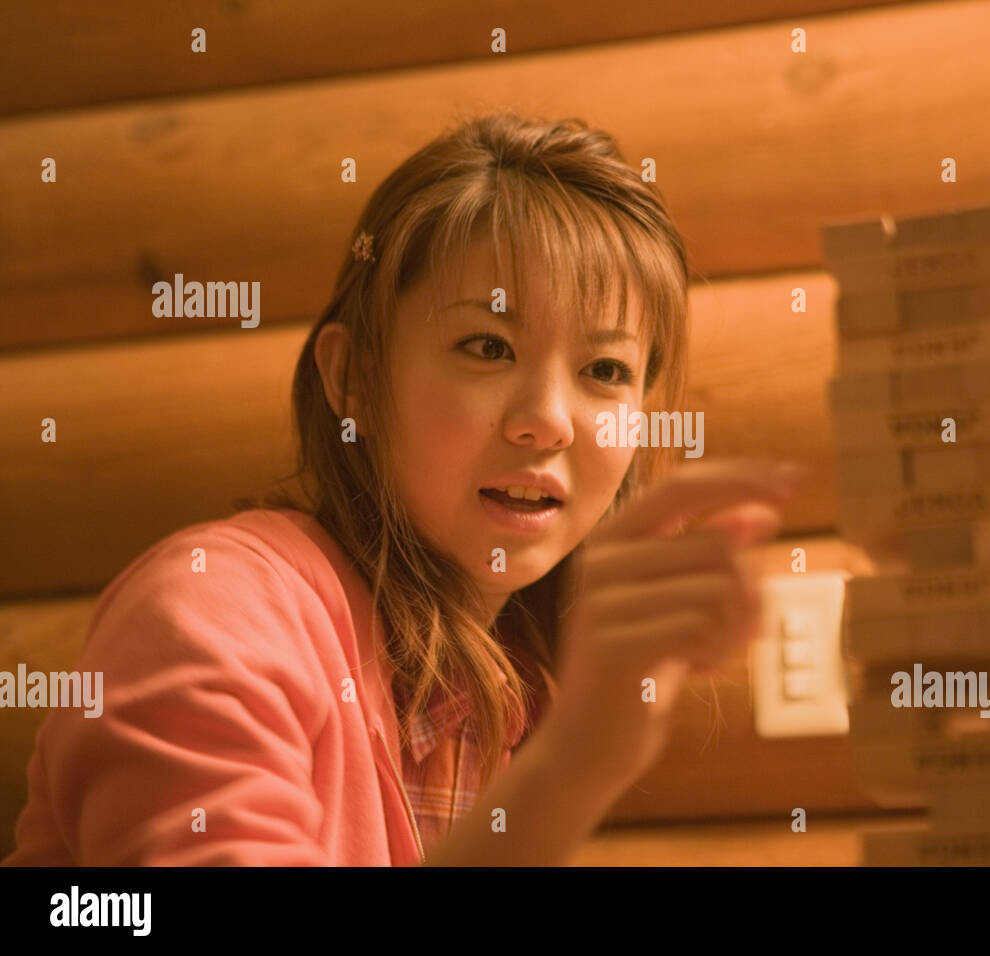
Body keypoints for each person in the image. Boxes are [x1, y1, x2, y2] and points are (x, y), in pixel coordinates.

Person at [2, 110, 806, 866]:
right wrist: (574, 768)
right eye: (488, 347)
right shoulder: (213, 608)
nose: (548, 422)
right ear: (352, 378)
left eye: (605, 370)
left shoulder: (504, 696)